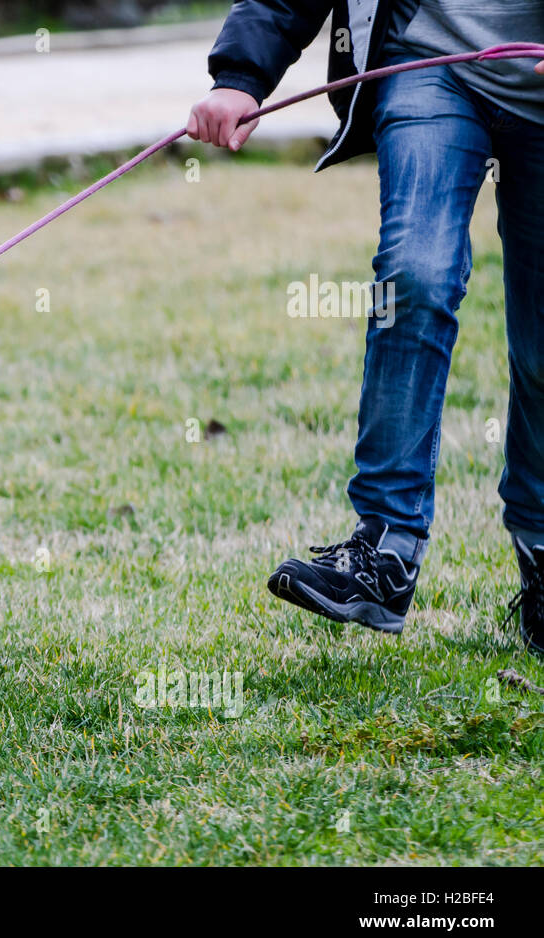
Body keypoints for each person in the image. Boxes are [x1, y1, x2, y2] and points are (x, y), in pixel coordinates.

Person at [186, 1, 544, 648]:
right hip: (430, 64)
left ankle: (543, 547)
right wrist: (240, 75)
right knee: (415, 274)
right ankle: (385, 548)